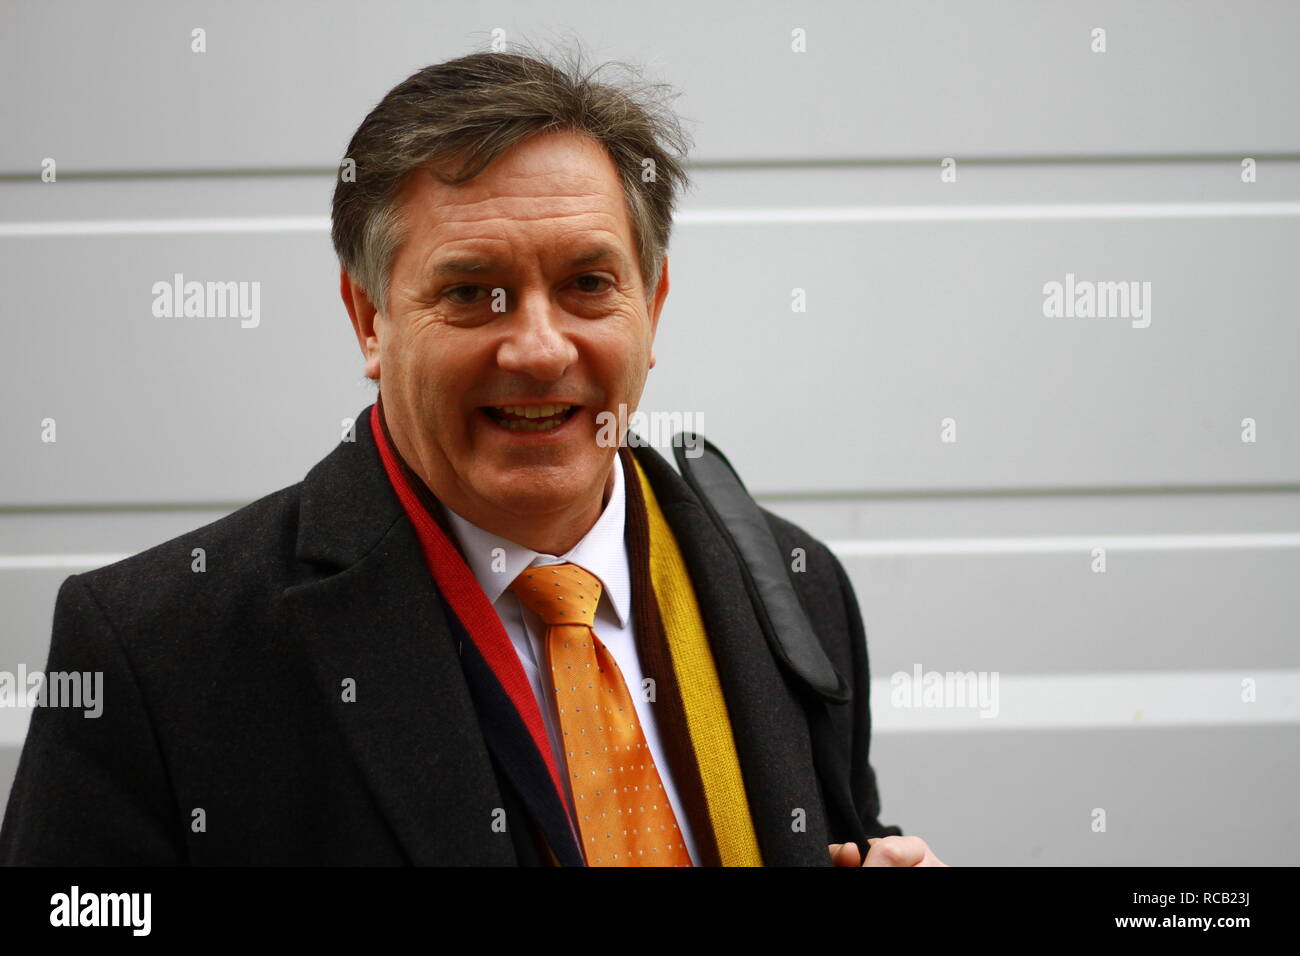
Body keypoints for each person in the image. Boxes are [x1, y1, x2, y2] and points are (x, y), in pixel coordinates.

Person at [0, 47, 944, 867]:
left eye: (587, 284)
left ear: (651, 307)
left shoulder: (795, 587)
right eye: (473, 291)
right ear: (369, 320)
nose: (538, 348)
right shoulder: (158, 655)